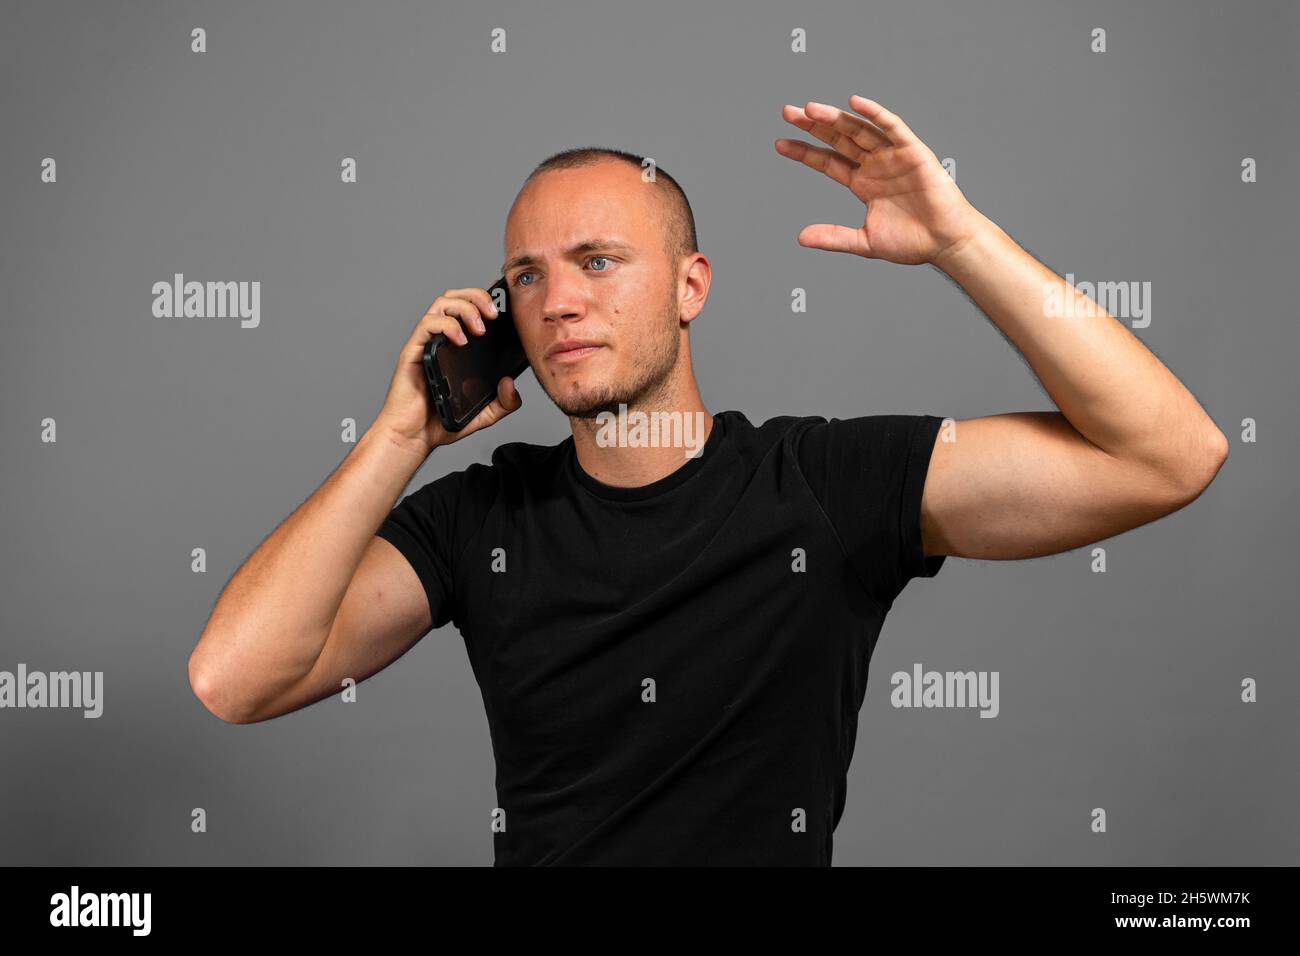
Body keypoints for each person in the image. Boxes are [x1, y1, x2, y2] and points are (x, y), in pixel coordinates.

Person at [188, 95, 1228, 865]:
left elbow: (1169, 454)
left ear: (692, 287)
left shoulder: (823, 485)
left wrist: (962, 243)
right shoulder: (479, 517)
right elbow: (236, 680)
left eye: (598, 261)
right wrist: (398, 436)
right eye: (527, 276)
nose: (557, 301)